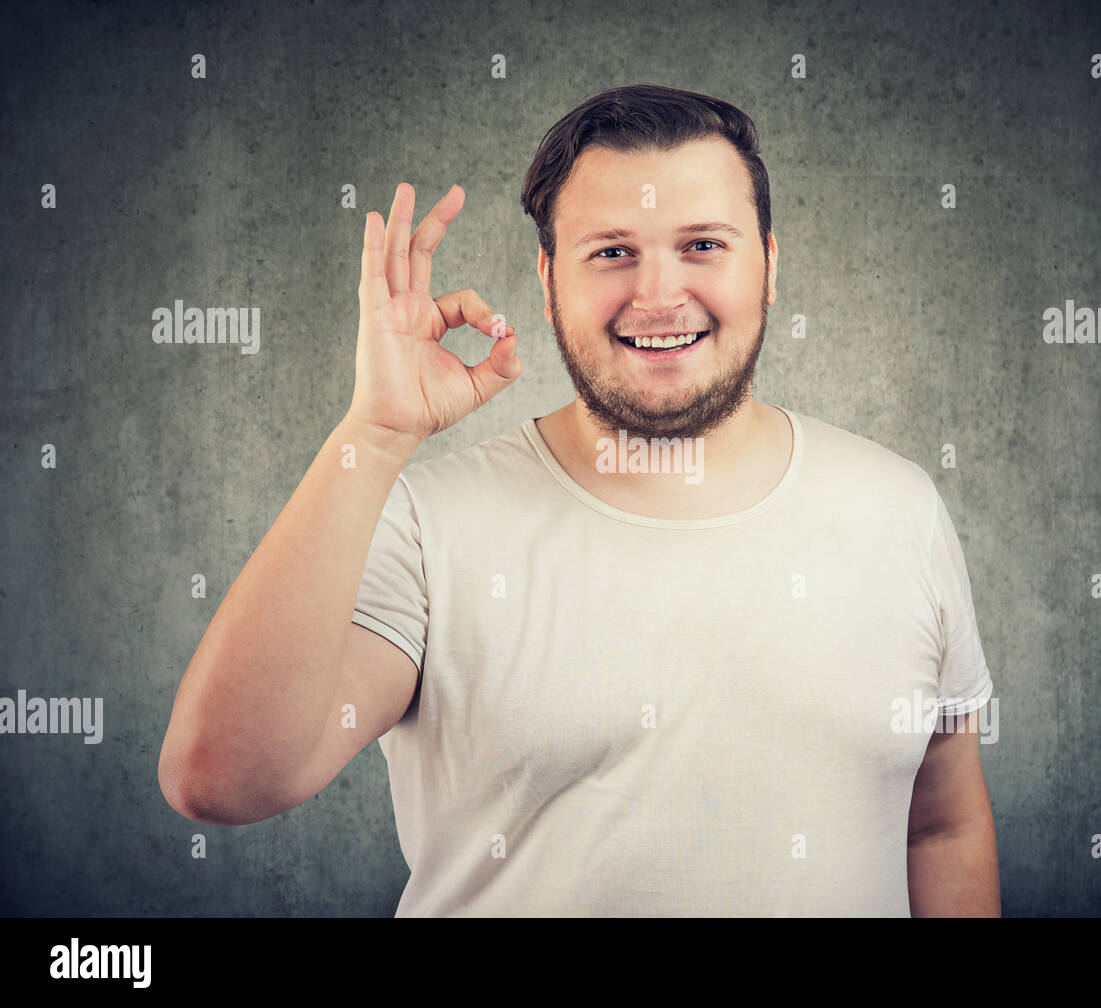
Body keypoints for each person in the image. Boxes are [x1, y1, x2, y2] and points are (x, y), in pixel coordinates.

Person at [159, 83, 999, 917]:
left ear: (771, 266)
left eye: (703, 244)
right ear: (549, 277)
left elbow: (942, 828)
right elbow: (220, 779)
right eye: (611, 251)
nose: (659, 294)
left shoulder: (900, 511)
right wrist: (374, 433)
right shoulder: (431, 525)